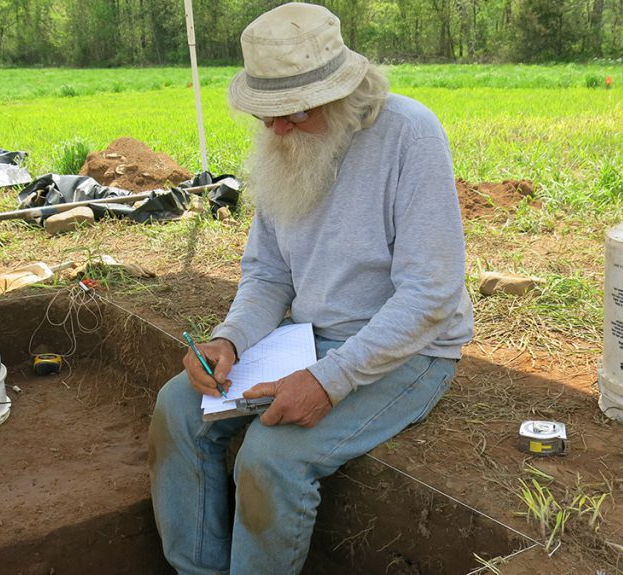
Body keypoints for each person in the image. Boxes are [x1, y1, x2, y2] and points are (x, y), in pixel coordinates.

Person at [148, 3, 473, 574]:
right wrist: (229, 342)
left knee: (272, 457)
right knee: (177, 406)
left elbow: (431, 292)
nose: (276, 128)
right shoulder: (283, 144)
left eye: (292, 113)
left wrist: (331, 379)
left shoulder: (409, 135)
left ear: (344, 93)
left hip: (406, 351)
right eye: (266, 113)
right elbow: (269, 275)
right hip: (303, 340)